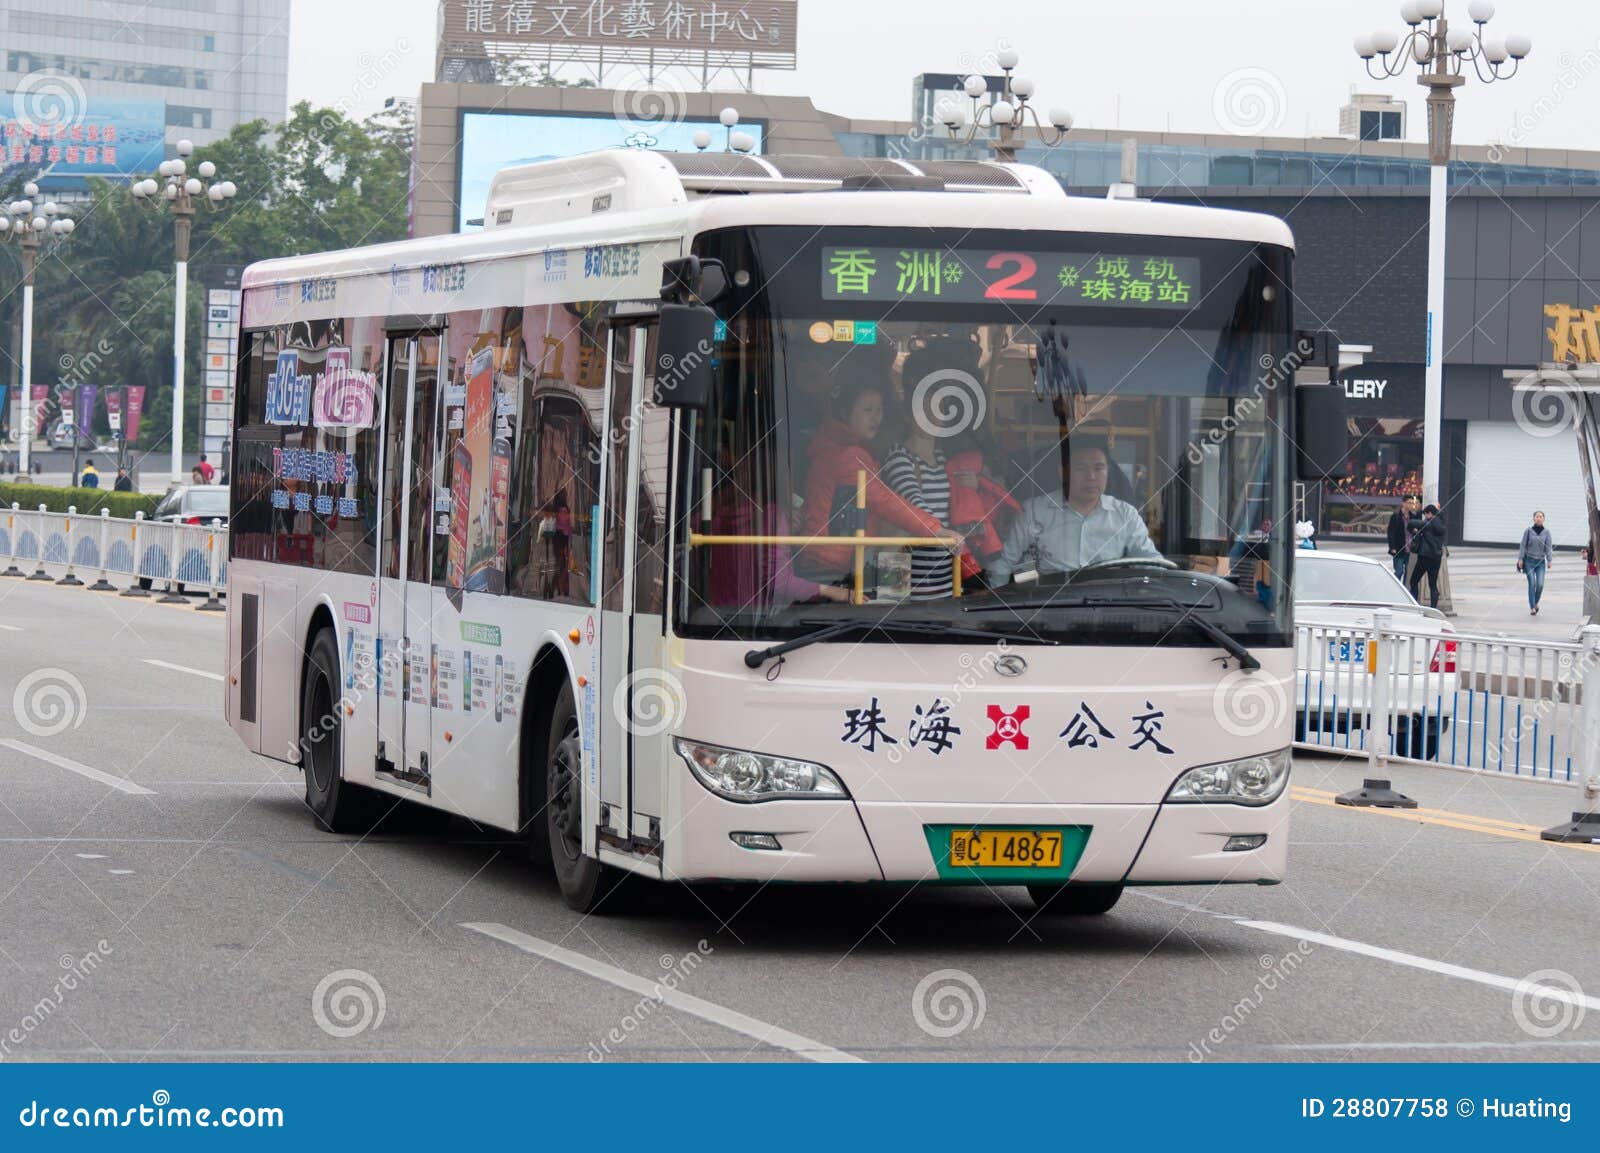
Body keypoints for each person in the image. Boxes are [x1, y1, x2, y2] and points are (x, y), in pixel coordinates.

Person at [800, 377, 962, 575]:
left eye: (879, 410)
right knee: (899, 535)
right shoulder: (847, 455)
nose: (876, 418)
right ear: (844, 413)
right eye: (868, 410)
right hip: (827, 563)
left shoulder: (844, 449)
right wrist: (936, 530)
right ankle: (891, 594)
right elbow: (884, 501)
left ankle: (891, 594)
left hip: (833, 557)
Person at [986, 435, 1160, 585]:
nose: (1091, 476)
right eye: (1081, 468)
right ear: (1063, 473)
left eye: (1099, 468)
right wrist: (996, 601)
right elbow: (1005, 562)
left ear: (1108, 471)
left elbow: (1150, 562)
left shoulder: (1125, 515)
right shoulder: (1033, 512)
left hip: (1107, 603)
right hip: (1048, 603)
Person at [1408, 503, 1446, 608]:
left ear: (1430, 513)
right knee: (1432, 584)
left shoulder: (1428, 523)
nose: (1425, 517)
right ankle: (1433, 607)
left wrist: (1414, 530)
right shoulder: (1442, 524)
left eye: (1425, 514)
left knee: (1413, 581)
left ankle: (1414, 605)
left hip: (1425, 556)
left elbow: (1411, 523)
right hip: (1436, 557)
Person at [1517, 510, 1554, 616]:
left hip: (1540, 563)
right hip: (1529, 561)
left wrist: (1549, 560)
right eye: (1537, 516)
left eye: (1541, 516)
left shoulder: (1547, 532)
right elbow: (1523, 545)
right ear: (1533, 518)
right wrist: (1520, 559)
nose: (1538, 518)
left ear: (1544, 519)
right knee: (1532, 583)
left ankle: (1535, 602)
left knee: (1540, 584)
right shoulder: (1528, 531)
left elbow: (1548, 547)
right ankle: (1532, 607)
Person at [1386, 494, 1418, 584]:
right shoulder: (1396, 516)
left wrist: (1415, 531)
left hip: (1410, 549)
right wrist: (1392, 547)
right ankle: (1395, 587)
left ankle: (1404, 589)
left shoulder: (1413, 517)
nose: (1410, 505)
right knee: (1399, 572)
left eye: (1412, 503)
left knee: (1408, 573)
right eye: (1408, 503)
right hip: (1399, 548)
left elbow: (1416, 532)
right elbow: (1391, 533)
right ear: (1403, 503)